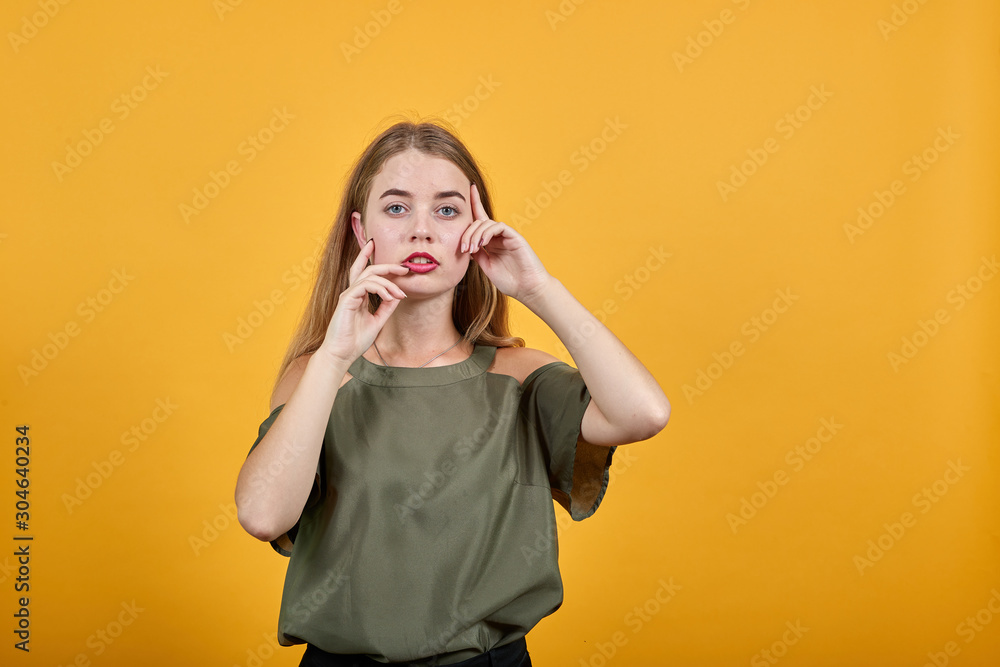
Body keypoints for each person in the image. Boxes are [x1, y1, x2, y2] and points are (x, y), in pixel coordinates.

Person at [234, 118, 670, 667]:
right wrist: (335, 356)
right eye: (396, 208)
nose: (422, 230)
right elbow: (262, 516)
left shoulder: (518, 377)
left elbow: (644, 412)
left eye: (446, 210)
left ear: (476, 230)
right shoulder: (320, 374)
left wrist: (539, 288)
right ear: (359, 229)